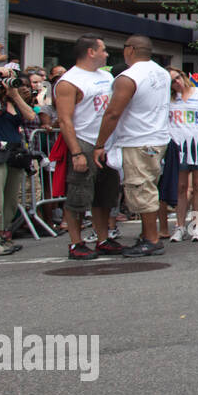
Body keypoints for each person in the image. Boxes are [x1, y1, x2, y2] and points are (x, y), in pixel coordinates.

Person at [92, 35, 171, 256]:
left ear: (131, 50)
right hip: (157, 137)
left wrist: (100, 144)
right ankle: (148, 234)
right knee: (148, 187)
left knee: (140, 189)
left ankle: (151, 239)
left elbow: (113, 113)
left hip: (138, 139)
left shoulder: (129, 77)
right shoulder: (162, 73)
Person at [52, 35, 121, 259]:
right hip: (84, 141)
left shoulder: (106, 75)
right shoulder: (69, 81)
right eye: (103, 50)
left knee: (104, 196)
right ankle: (76, 243)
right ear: (91, 52)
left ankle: (103, 239)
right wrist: (77, 152)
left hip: (106, 143)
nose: (107, 54)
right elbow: (64, 120)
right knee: (78, 196)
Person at [166, 67, 198, 243]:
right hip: (178, 147)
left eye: (178, 77)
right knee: (181, 188)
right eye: (172, 81)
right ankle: (179, 226)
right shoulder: (169, 99)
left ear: (183, 76)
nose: (177, 82)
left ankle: (197, 226)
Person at [0, 68, 38, 255]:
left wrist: (14, 94)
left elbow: (31, 116)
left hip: (14, 153)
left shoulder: (12, 101)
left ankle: (3, 235)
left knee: (10, 199)